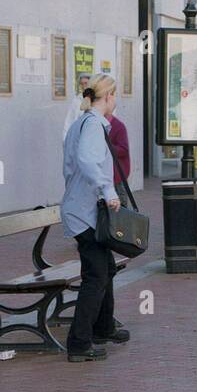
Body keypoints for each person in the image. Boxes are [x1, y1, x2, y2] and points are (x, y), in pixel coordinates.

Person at [62, 73, 130, 363]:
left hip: (82, 208)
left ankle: (102, 327)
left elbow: (69, 168)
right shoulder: (92, 125)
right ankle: (79, 342)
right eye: (115, 95)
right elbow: (88, 162)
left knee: (106, 269)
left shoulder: (84, 123)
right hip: (84, 212)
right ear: (109, 96)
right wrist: (107, 190)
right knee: (96, 275)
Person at [61, 72, 93, 140]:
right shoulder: (76, 101)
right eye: (81, 84)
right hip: (78, 138)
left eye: (86, 83)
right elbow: (69, 122)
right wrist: (65, 140)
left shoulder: (97, 100)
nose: (84, 86)